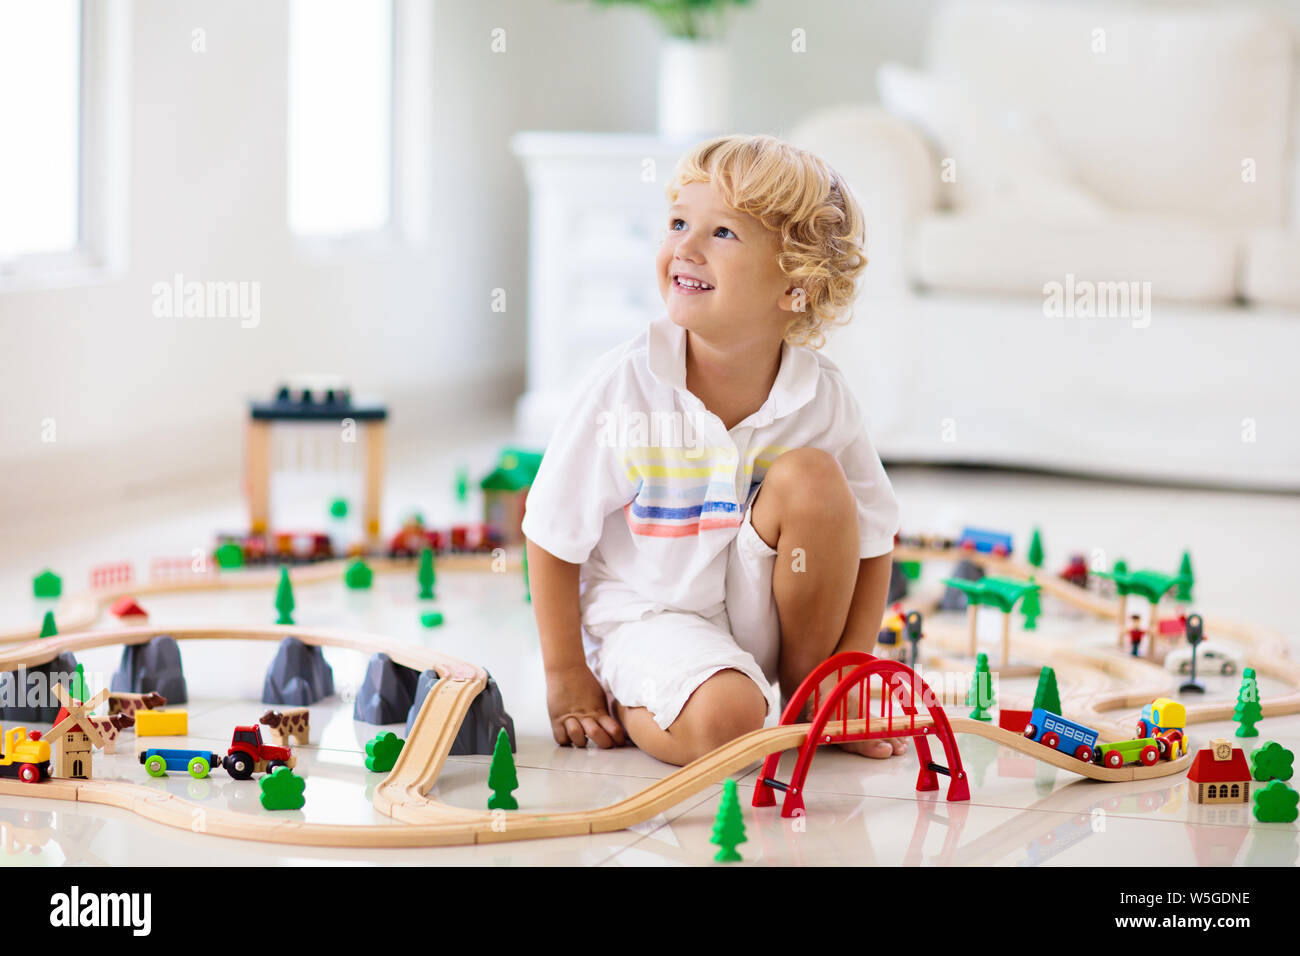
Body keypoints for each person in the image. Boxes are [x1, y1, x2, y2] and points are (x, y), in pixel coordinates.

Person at [523, 134, 902, 767]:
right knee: (729, 725)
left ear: (795, 287)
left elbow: (872, 538)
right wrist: (566, 674)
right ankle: (653, 690)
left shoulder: (821, 396)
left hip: (761, 616)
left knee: (813, 479)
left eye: (722, 233)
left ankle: (813, 697)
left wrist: (849, 669)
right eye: (678, 223)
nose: (684, 248)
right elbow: (551, 532)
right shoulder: (626, 386)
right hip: (653, 615)